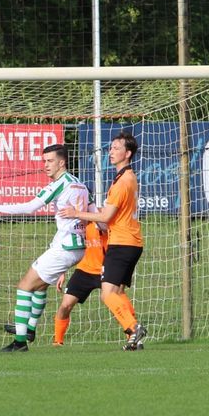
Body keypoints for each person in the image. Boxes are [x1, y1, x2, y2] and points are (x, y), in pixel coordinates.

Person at [0, 143, 90, 353]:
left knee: (25, 286)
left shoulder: (61, 184)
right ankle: (30, 330)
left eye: (50, 161)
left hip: (65, 247)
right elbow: (91, 212)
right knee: (40, 286)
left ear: (62, 162)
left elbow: (30, 207)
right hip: (77, 246)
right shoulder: (80, 184)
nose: (45, 165)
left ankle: (20, 342)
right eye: (44, 161)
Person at [59, 131, 147, 350]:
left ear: (128, 153)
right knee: (116, 292)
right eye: (111, 148)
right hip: (131, 242)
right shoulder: (128, 177)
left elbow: (106, 218)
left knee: (107, 294)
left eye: (116, 148)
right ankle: (134, 338)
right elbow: (111, 214)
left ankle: (133, 328)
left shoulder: (122, 183)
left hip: (122, 243)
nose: (111, 151)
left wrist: (76, 213)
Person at [50, 222, 104, 347]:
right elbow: (66, 245)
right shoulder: (82, 225)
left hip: (106, 270)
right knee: (65, 305)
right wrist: (62, 272)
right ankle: (58, 342)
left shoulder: (107, 223)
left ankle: (132, 337)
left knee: (115, 302)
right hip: (84, 270)